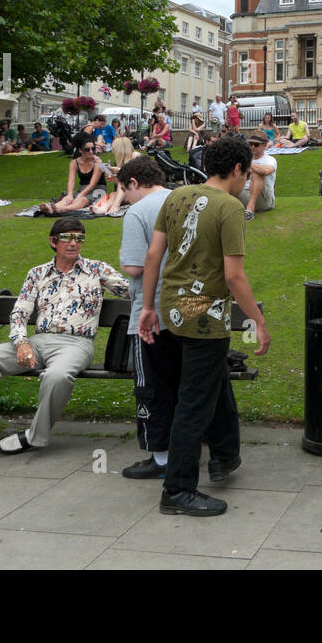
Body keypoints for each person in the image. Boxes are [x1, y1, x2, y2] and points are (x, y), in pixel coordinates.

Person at [137, 137, 271, 516]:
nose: (246, 182)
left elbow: (152, 255)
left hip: (171, 310)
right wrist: (258, 321)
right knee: (193, 403)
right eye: (246, 174)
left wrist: (147, 307)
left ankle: (224, 456)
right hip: (204, 318)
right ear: (238, 169)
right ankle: (177, 490)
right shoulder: (229, 208)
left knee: (212, 381)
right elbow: (234, 277)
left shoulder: (175, 196)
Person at [0, 218, 130, 474]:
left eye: (79, 238)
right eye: (67, 237)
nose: (74, 243)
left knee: (58, 375)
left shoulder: (96, 270)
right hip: (38, 341)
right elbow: (19, 314)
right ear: (53, 242)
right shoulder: (37, 274)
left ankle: (33, 435)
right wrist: (22, 343)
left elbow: (131, 291)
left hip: (76, 344)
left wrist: (136, 267)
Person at [114, 157, 176, 480]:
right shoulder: (185, 198)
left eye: (124, 191)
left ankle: (161, 457)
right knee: (182, 385)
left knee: (151, 387)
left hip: (151, 315)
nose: (124, 197)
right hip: (188, 312)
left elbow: (135, 266)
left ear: (134, 183)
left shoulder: (138, 212)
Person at [40, 140, 106, 215]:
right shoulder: (74, 163)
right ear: (80, 150)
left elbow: (92, 184)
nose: (91, 151)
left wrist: (80, 195)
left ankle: (62, 209)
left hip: (98, 189)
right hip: (82, 188)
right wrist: (70, 194)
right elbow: (71, 181)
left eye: (93, 149)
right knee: (67, 198)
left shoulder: (98, 162)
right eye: (87, 149)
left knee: (82, 200)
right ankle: (51, 208)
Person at [92, 136, 140, 214]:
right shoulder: (120, 161)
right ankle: (103, 208)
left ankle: (115, 205)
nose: (113, 152)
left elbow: (137, 177)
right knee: (113, 194)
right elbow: (120, 186)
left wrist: (119, 170)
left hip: (139, 191)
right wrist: (112, 175)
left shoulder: (135, 156)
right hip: (129, 191)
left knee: (122, 181)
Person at [239, 132, 277, 221]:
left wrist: (247, 164)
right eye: (250, 144)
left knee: (258, 173)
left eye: (256, 144)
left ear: (264, 145)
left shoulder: (270, 159)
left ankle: (250, 210)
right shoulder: (246, 158)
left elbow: (266, 171)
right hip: (246, 193)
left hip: (265, 199)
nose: (252, 147)